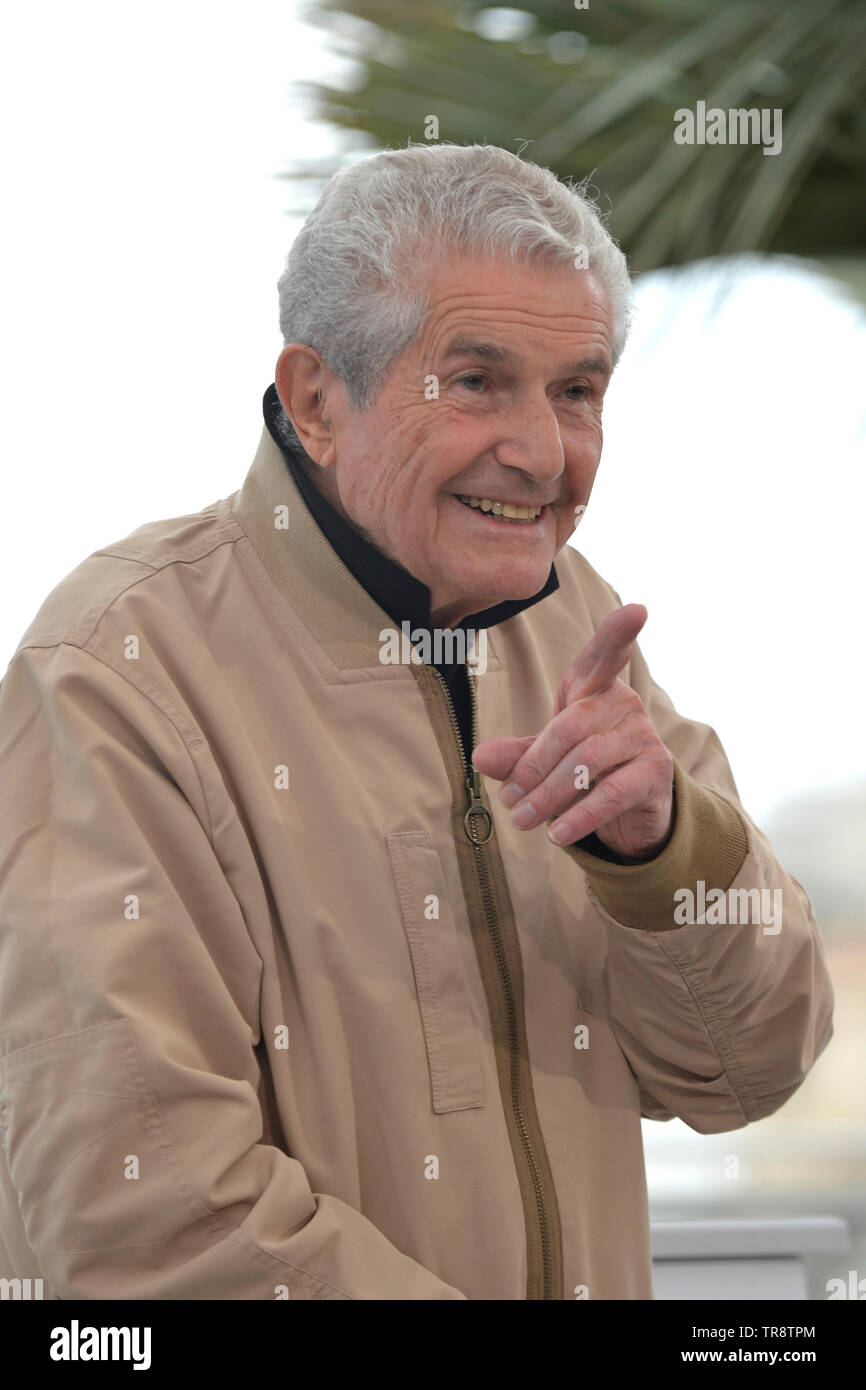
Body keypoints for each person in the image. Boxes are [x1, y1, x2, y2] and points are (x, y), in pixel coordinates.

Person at [0, 142, 833, 1300]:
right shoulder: (114, 669)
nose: (542, 454)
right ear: (314, 399)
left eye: (576, 391)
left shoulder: (573, 619)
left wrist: (661, 855)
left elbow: (748, 1070)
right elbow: (142, 1222)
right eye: (477, 381)